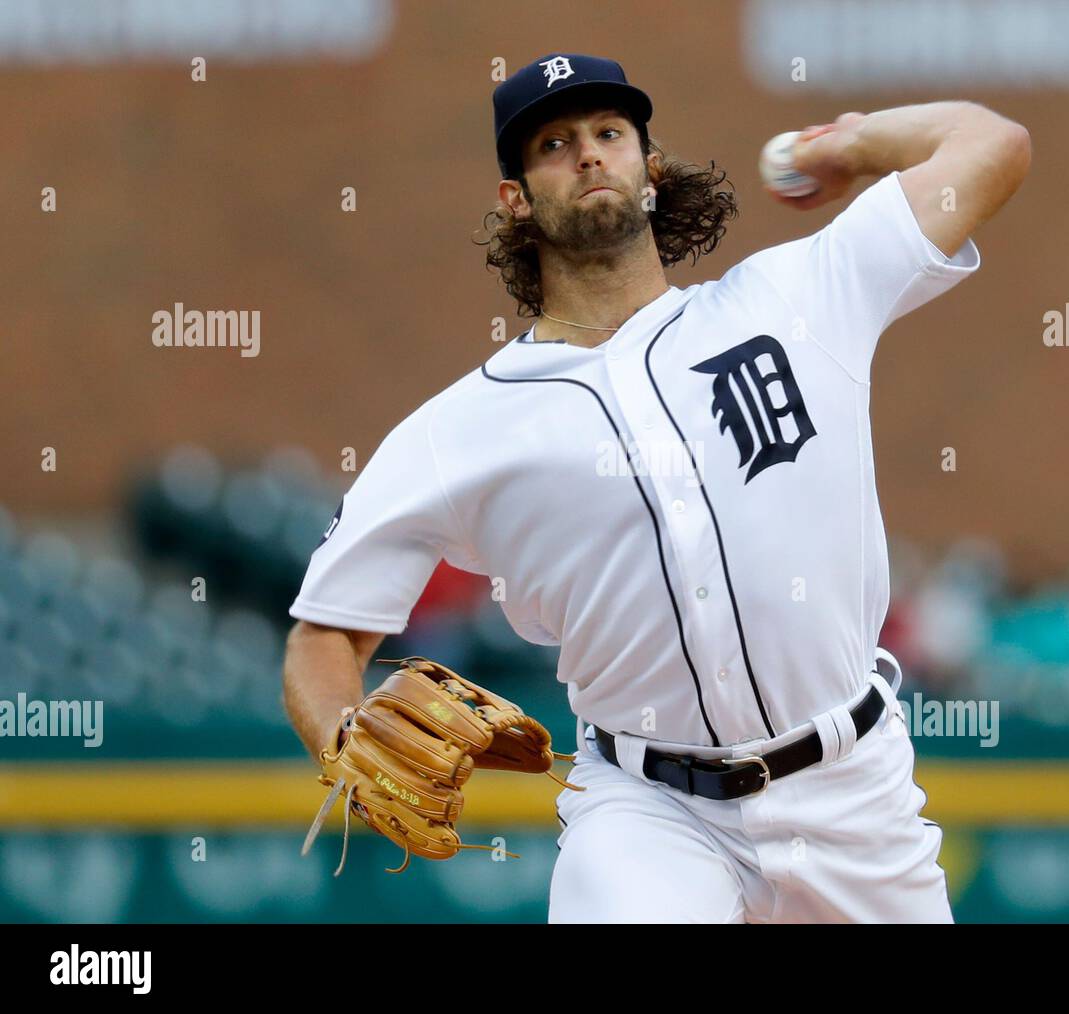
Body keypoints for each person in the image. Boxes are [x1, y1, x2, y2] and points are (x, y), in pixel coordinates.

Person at [283, 52, 1030, 923]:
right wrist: (342, 736)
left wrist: (860, 143)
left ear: (650, 167)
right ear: (515, 199)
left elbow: (993, 145)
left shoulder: (797, 297)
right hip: (649, 810)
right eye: (554, 144)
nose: (589, 155)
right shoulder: (457, 432)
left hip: (854, 790)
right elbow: (324, 635)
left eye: (610, 133)